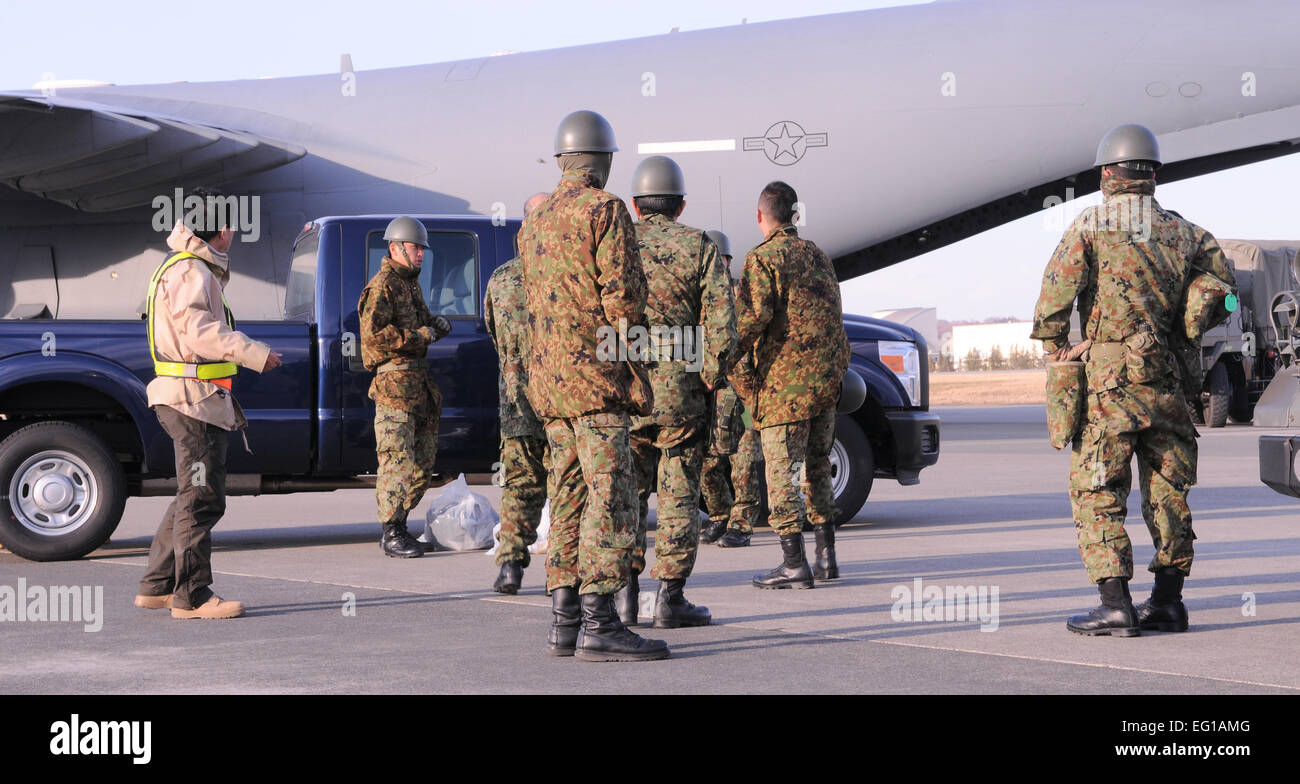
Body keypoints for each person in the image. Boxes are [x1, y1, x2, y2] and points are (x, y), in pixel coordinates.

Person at [1032, 123, 1236, 636]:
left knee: (1098, 488)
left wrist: (1063, 350)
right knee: (1170, 490)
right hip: (1169, 381)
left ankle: (1114, 603)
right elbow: (1226, 295)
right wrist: (1188, 326)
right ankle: (1168, 602)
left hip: (1109, 385)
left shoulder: (1091, 225)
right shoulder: (1188, 232)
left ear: (1108, 174)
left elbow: (1053, 303)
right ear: (1152, 176)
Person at [520, 110, 668, 661]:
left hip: (550, 388)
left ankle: (563, 621)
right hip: (596, 385)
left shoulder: (533, 220)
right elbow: (623, 302)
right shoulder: (604, 210)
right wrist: (638, 374)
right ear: (601, 162)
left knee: (566, 495)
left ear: (562, 160)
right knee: (611, 496)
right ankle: (601, 623)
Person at [136, 187, 282, 620]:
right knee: (202, 498)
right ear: (220, 228)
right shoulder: (192, 271)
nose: (235, 231)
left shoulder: (190, 267)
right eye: (232, 222)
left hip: (193, 398)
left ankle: (158, 586)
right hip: (192, 401)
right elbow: (200, 332)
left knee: (190, 495)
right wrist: (254, 353)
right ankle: (193, 597)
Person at [621, 155, 735, 628]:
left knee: (623, 495)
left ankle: (624, 599)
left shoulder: (616, 243)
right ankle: (670, 599)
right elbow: (722, 328)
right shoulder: (700, 246)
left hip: (625, 393)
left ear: (635, 203)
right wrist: (707, 376)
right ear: (681, 205)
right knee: (678, 496)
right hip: (682, 398)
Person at [732, 181, 849, 589]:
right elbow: (836, 319)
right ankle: (826, 558)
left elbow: (747, 323)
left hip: (785, 391)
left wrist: (724, 364)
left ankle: (794, 564)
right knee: (817, 470)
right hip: (825, 388)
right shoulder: (819, 256)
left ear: (760, 216)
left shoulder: (762, 260)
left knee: (783, 475)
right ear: (795, 215)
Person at [359, 217, 452, 558]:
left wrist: (435, 324)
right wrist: (420, 336)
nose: (421, 255)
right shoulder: (383, 285)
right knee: (397, 460)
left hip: (418, 386)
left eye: (422, 249)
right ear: (395, 248)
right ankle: (392, 531)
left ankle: (401, 523)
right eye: (415, 248)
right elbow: (373, 336)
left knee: (422, 463)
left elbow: (421, 322)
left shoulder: (409, 284)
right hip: (394, 388)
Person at [485, 192, 551, 594]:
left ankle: (510, 566)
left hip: (517, 401)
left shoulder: (500, 278)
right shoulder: (566, 275)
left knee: (520, 485)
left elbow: (494, 334)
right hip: (562, 398)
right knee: (566, 486)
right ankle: (563, 577)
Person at [699, 229, 762, 549]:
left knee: (744, 461)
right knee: (707, 463)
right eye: (714, 261)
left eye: (723, 260)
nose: (719, 266)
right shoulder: (698, 299)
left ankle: (742, 524)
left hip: (744, 393)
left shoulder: (745, 299)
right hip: (711, 394)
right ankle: (719, 515)